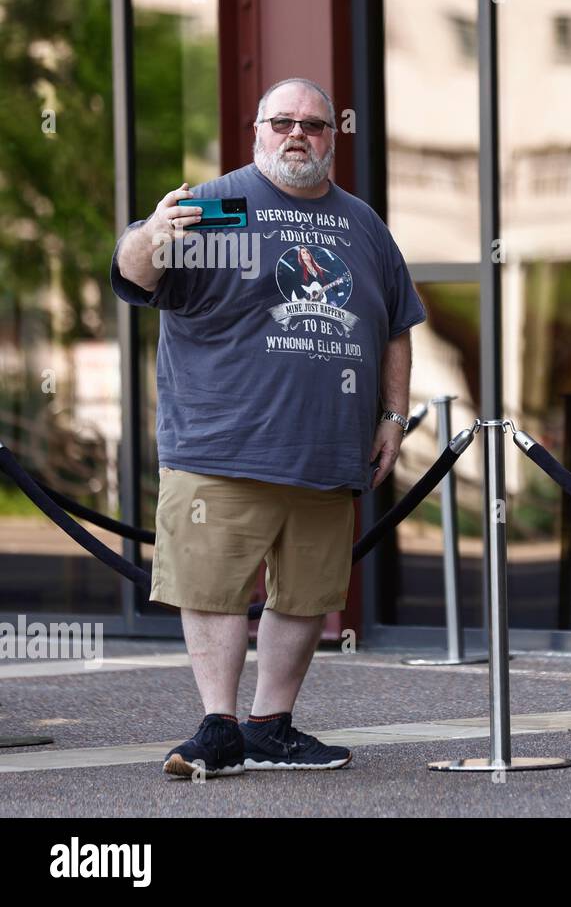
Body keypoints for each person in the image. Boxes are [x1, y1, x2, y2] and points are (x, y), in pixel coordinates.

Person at [110, 77, 426, 777]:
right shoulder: (220, 207)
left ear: (331, 140)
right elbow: (137, 278)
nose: (297, 134)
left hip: (326, 450)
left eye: (313, 126)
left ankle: (270, 725)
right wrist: (150, 236)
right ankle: (217, 725)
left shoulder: (362, 225)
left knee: (307, 595)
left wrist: (393, 417)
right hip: (224, 446)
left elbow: (397, 325)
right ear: (257, 131)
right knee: (214, 585)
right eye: (282, 122)